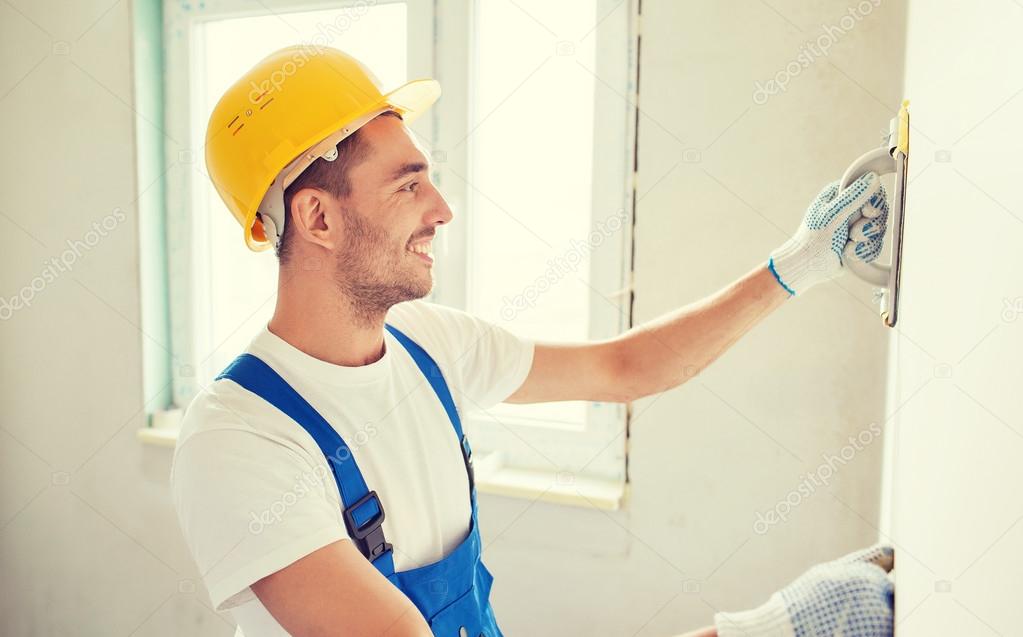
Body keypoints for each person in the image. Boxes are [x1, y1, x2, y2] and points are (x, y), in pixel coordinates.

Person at [171, 46, 894, 637]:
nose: (442, 210)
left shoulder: (428, 346)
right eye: (407, 186)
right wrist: (755, 634)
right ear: (318, 219)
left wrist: (799, 263)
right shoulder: (238, 439)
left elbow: (622, 365)